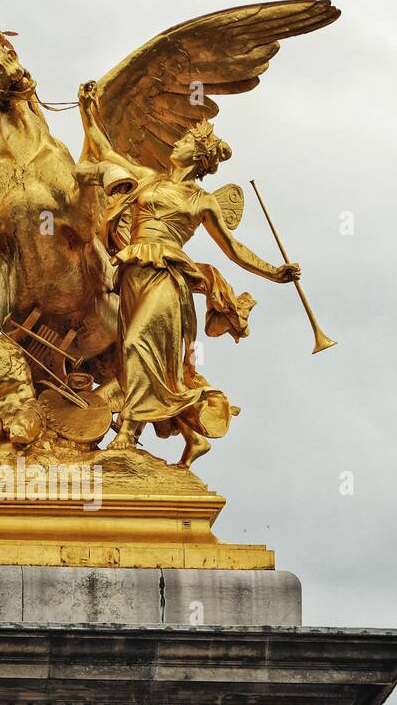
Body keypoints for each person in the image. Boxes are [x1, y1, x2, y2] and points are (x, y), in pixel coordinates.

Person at [78, 80, 300, 463]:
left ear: (198, 156)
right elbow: (105, 149)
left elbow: (234, 250)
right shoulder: (149, 178)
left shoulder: (203, 200)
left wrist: (273, 272)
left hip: (168, 278)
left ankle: (128, 436)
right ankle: (192, 436)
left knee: (137, 347)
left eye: (182, 142)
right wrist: (86, 111)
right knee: (133, 358)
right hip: (132, 274)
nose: (175, 144)